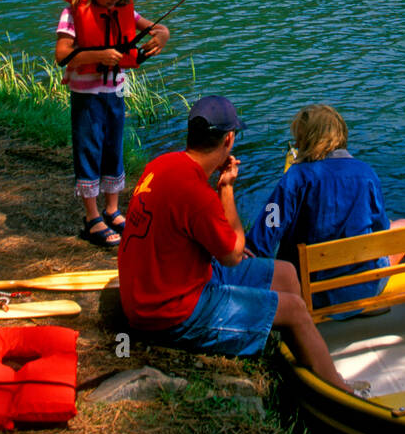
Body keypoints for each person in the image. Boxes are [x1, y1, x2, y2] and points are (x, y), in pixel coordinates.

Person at [117, 96, 358, 393]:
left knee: (286, 273)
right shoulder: (197, 194)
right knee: (294, 308)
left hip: (159, 286)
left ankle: (301, 350)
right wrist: (227, 188)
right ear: (228, 139)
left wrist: (225, 243)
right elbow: (232, 255)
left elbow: (181, 232)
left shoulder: (160, 165)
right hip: (169, 312)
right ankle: (337, 388)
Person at [53, 0, 170, 250]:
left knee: (112, 148)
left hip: (116, 92)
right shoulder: (71, 14)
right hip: (87, 96)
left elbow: (154, 27)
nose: (116, 0)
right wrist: (98, 56)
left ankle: (112, 210)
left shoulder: (123, 10)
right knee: (89, 148)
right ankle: (92, 217)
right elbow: (62, 55)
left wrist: (163, 34)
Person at [247, 104, 405, 316]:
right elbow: (380, 229)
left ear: (308, 141)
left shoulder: (295, 178)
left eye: (298, 138)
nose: (295, 143)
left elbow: (262, 238)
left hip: (309, 291)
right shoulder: (366, 173)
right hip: (363, 287)